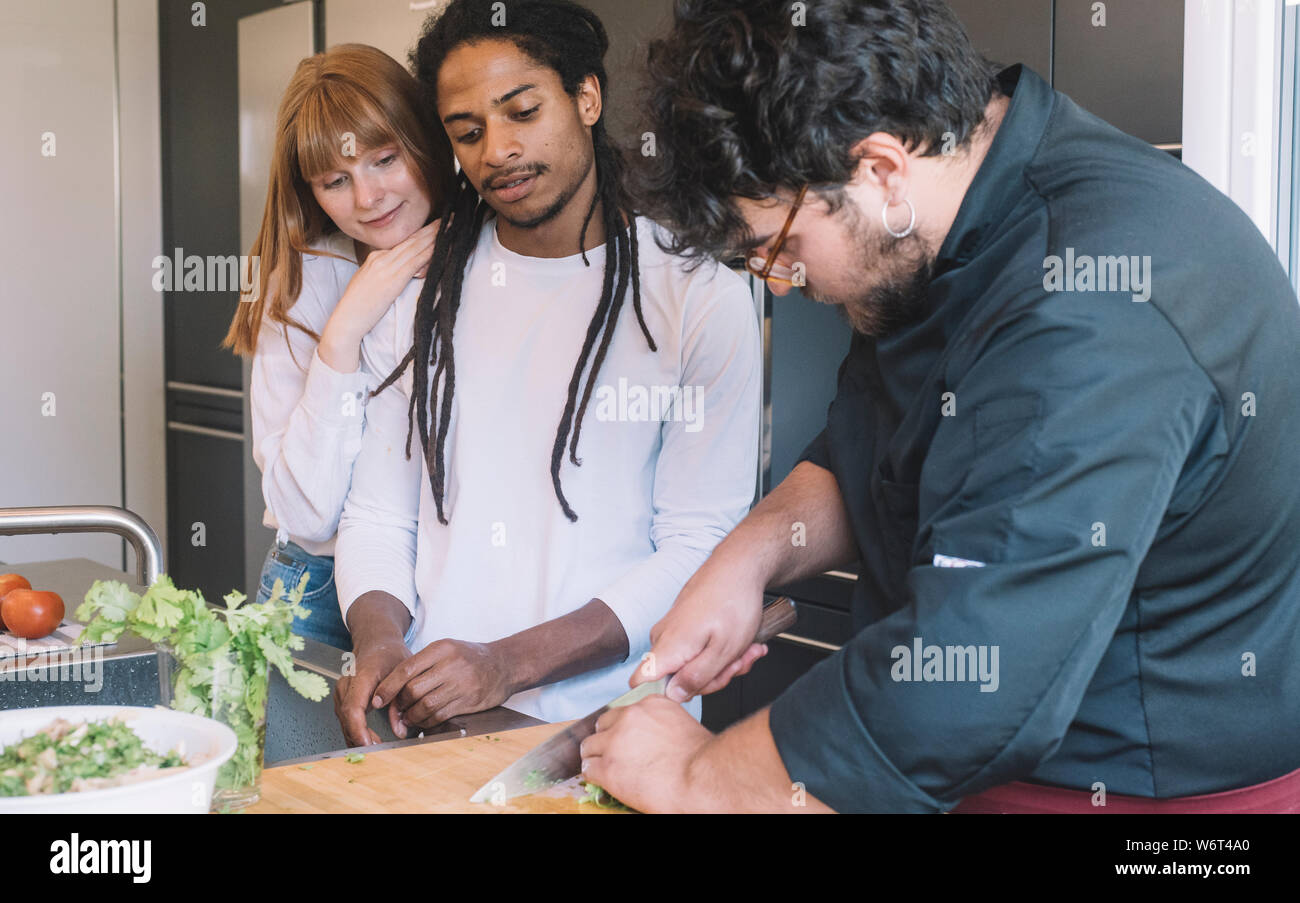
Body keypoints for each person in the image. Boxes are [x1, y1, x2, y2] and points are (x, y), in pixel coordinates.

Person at [580, 0, 1300, 813]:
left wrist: (690, 777)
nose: (785, 281)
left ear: (882, 169)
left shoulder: (1091, 308)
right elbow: (876, 445)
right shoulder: (936, 221)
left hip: (1147, 800)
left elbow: (972, 673)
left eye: (777, 249)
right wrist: (745, 559)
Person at [330, 0, 761, 745]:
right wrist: (379, 643)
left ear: (585, 98)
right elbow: (377, 514)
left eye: (521, 111)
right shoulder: (419, 294)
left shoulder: (697, 294)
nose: (496, 149)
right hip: (434, 724)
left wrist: (506, 664)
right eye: (468, 132)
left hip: (616, 730)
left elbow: (698, 546)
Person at [223, 44, 456, 652]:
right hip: (316, 588)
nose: (369, 197)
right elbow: (308, 514)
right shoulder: (300, 279)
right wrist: (345, 328)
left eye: (385, 159)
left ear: (426, 139)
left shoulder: (497, 253)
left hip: (445, 583)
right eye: (336, 180)